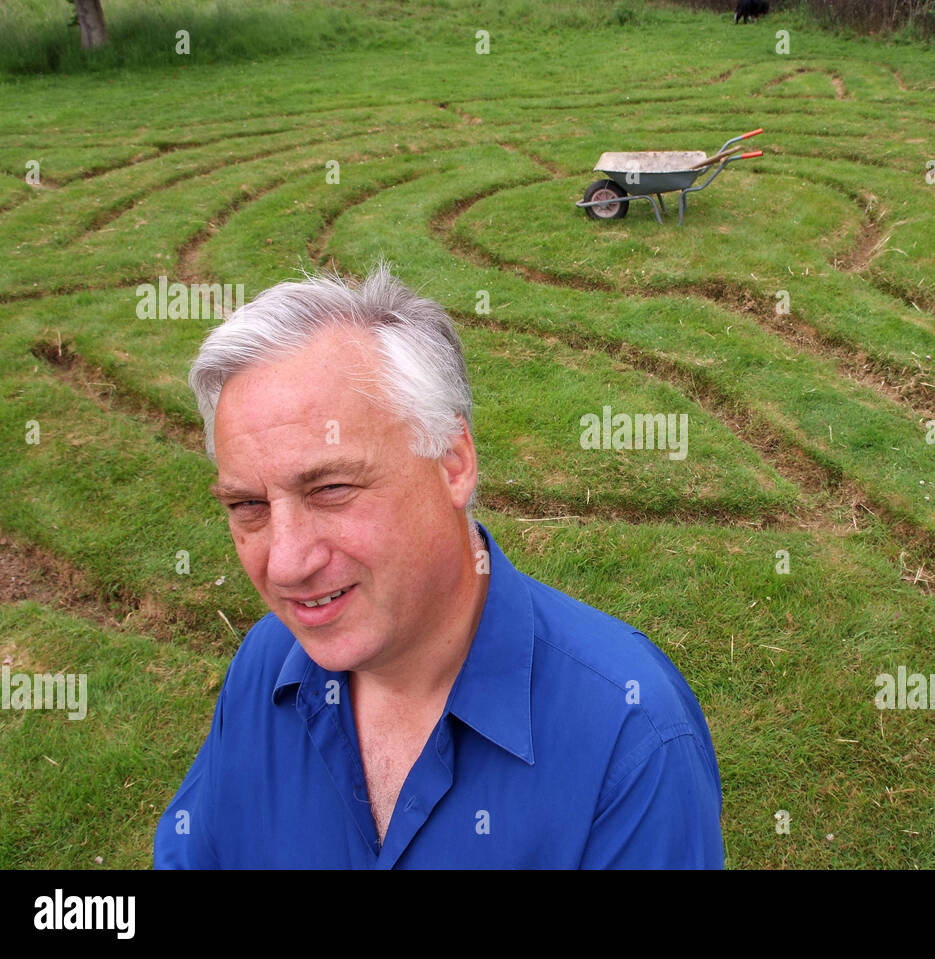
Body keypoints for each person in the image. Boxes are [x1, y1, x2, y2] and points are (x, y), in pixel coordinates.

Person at [153, 263, 725, 868]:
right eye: (248, 506)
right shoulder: (267, 666)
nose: (288, 564)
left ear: (453, 462)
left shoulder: (630, 741)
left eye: (331, 490)